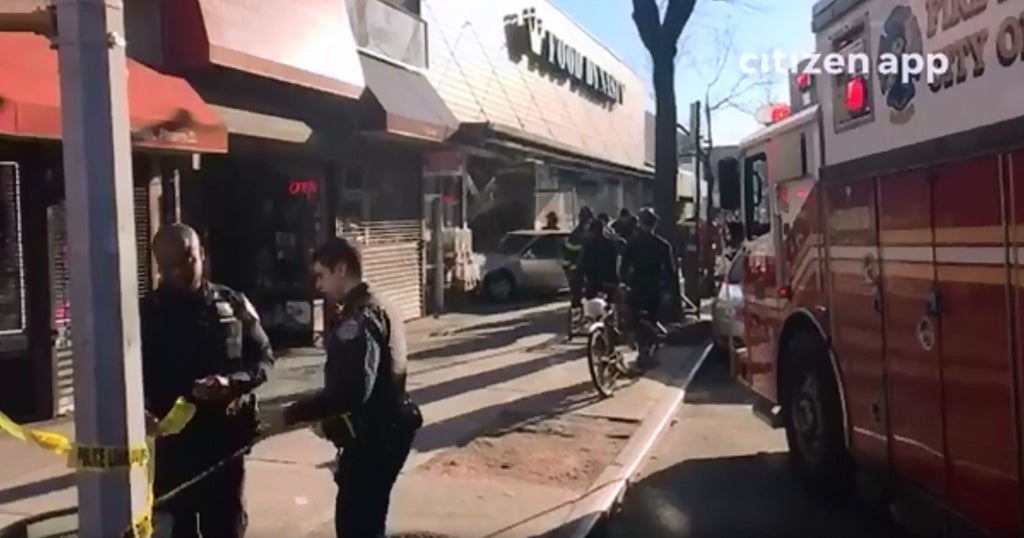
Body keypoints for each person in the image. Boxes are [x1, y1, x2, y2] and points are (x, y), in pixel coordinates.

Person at [282, 236, 422, 538]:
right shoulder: (381, 305)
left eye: (321, 275)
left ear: (341, 269)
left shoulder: (359, 318)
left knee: (355, 524)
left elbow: (353, 390)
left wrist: (297, 412)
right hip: (386, 432)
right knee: (369, 519)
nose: (318, 284)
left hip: (374, 438)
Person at [141, 223, 274, 538]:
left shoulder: (232, 304)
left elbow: (265, 359)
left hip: (224, 445)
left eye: (186, 260)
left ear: (201, 254)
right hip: (175, 449)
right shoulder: (147, 313)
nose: (178, 271)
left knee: (225, 528)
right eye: (168, 265)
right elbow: (131, 376)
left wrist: (233, 383)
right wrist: (140, 411)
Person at [618, 207, 677, 368]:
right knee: (652, 319)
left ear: (640, 223)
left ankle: (643, 350)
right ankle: (649, 350)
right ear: (654, 225)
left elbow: (624, 267)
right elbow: (671, 271)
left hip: (636, 287)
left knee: (638, 320)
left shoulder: (632, 243)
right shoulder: (663, 245)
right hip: (655, 288)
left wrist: (623, 283)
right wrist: (669, 291)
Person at [579, 218, 619, 300]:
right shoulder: (611, 245)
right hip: (609, 281)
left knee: (591, 306)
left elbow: (583, 264)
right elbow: (615, 262)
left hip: (593, 283)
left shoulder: (589, 245)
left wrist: (580, 276)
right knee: (610, 305)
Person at [563, 207, 593, 312]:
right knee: (579, 297)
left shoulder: (576, 234)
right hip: (579, 271)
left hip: (580, 271)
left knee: (581, 297)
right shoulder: (579, 234)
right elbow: (569, 253)